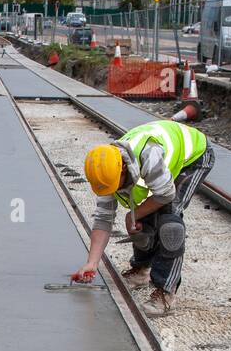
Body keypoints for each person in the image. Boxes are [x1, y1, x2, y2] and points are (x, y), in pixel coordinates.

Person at [71, 120, 215, 317]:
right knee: (143, 221)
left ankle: (167, 293)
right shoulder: (106, 171)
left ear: (123, 169)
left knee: (170, 223)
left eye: (115, 185)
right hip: (158, 170)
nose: (112, 192)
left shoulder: (147, 155)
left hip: (194, 158)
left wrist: (133, 214)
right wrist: (92, 263)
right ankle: (141, 271)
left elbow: (165, 195)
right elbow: (104, 220)